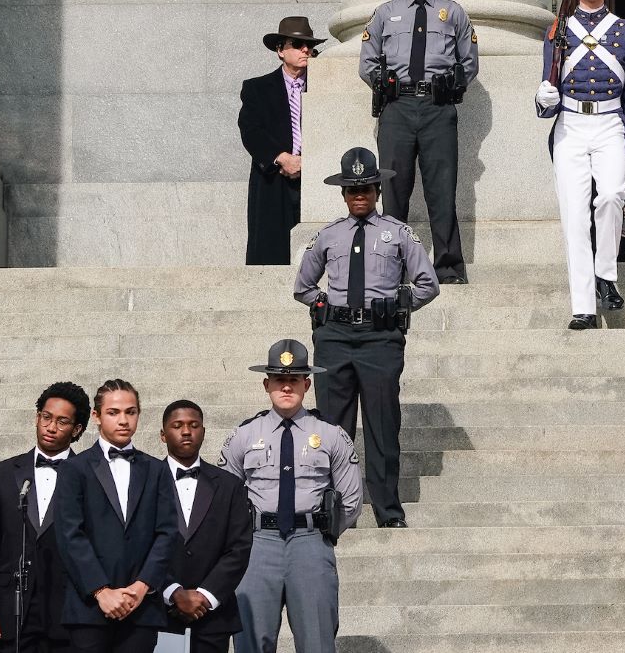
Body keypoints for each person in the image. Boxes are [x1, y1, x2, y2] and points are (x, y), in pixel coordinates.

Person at [294, 147, 439, 528]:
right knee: (332, 429)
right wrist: (323, 305)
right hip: (336, 338)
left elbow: (428, 283)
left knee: (381, 425)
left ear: (377, 190)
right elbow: (303, 286)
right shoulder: (328, 235)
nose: (360, 195)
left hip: (380, 339)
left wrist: (400, 303)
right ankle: (337, 511)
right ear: (343, 195)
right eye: (352, 190)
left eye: (367, 188)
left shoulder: (398, 232)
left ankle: (388, 509)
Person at [222, 339, 362, 653]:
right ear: (266, 384)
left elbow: (351, 501)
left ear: (307, 384)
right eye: (279, 380)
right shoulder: (244, 436)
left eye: (294, 380)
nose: (287, 387)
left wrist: (322, 533)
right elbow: (224, 499)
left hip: (310, 545)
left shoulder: (330, 434)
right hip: (257, 546)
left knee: (317, 642)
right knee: (251, 643)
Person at [534, 0, 625, 329]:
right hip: (570, 126)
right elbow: (546, 102)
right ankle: (583, 305)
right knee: (574, 217)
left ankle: (606, 275)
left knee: (613, 195)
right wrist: (544, 97)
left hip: (611, 124)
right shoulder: (557, 30)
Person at [359, 0, 477, 284]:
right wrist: (383, 83)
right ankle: (393, 266)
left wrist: (453, 83)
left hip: (437, 109)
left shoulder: (452, 12)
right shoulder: (385, 13)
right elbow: (367, 61)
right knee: (394, 191)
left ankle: (448, 265)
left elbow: (469, 61)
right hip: (397, 108)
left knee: (442, 190)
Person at [52, 379, 180, 653]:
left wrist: (141, 587)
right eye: (114, 412)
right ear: (97, 416)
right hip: (89, 608)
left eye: (130, 412)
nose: (123, 420)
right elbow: (69, 534)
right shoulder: (74, 469)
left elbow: (167, 533)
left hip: (142, 607)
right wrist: (101, 591)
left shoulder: (157, 470)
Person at [0, 382, 90, 651]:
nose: (51, 427)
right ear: (37, 418)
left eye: (62, 422)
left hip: (68, 616)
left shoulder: (88, 475)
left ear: (77, 429)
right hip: (10, 614)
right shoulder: (2, 472)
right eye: (46, 417)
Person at [158, 401, 252, 653]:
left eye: (193, 425)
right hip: (158, 610)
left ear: (203, 431)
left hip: (212, 615)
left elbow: (239, 547)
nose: (186, 431)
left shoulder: (229, 485)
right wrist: (172, 591)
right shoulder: (145, 479)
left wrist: (206, 595)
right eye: (177, 426)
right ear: (163, 434)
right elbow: (138, 543)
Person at [238, 15, 325, 265]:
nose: (305, 50)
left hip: (314, 177)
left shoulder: (323, 86)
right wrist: (281, 158)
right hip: (273, 177)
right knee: (270, 249)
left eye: (309, 45)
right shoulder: (258, 88)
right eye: (297, 45)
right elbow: (250, 129)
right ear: (280, 50)